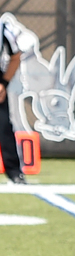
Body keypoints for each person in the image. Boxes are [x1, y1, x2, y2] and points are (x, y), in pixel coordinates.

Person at [0, 15, 22, 185]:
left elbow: (15, 56)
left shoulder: (3, 28)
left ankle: (14, 173)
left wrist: (4, 82)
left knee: (4, 126)